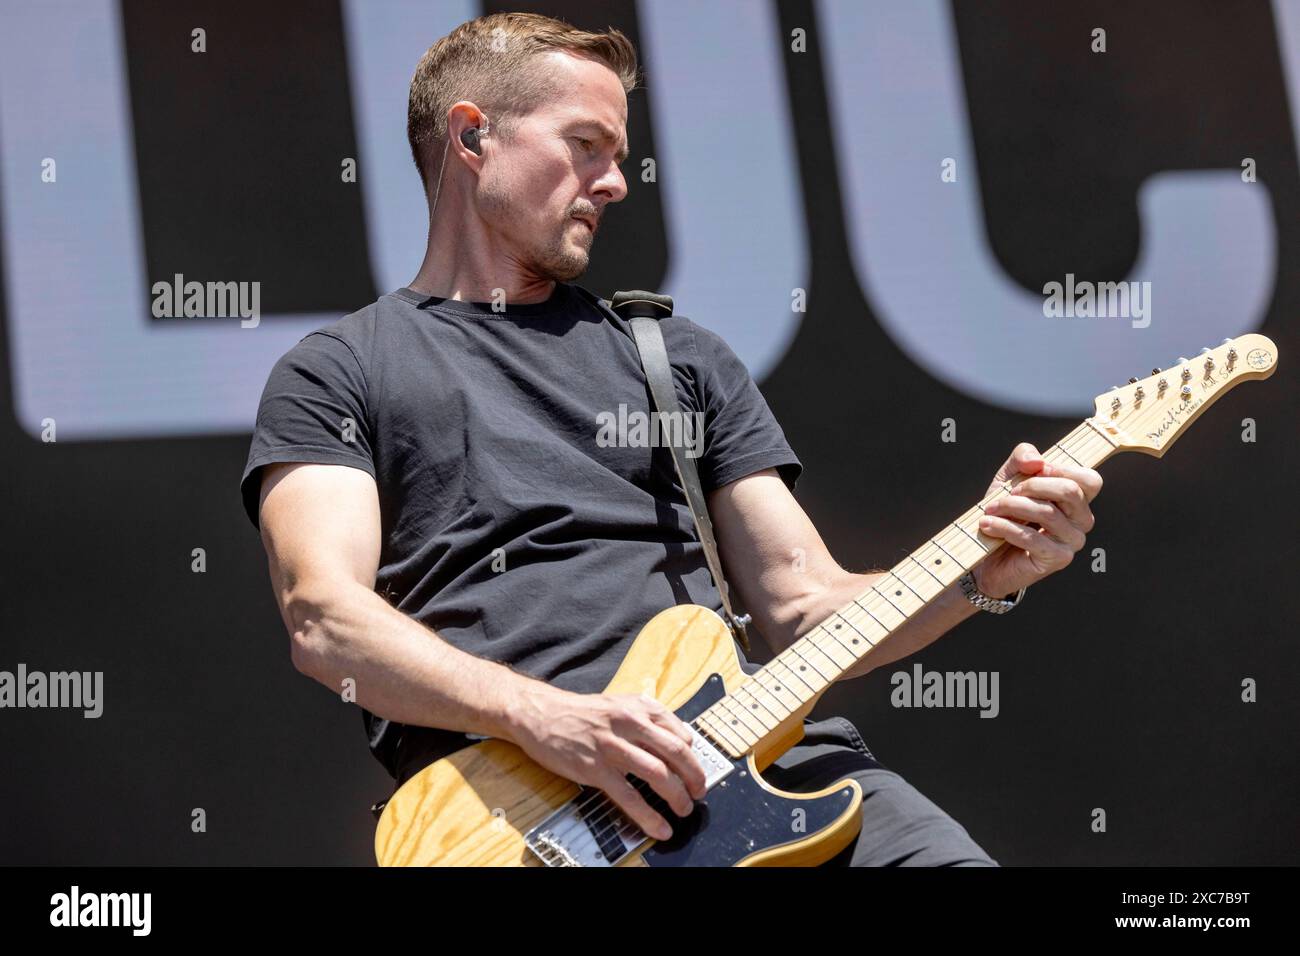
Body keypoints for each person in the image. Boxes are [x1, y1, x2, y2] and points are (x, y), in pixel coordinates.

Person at [240, 11, 1101, 866]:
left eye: (617, 153)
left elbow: (804, 609)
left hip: (764, 766)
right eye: (586, 144)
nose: (615, 182)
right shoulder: (340, 371)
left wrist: (976, 572)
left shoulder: (675, 359)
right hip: (519, 822)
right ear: (473, 137)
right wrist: (545, 716)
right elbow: (324, 619)